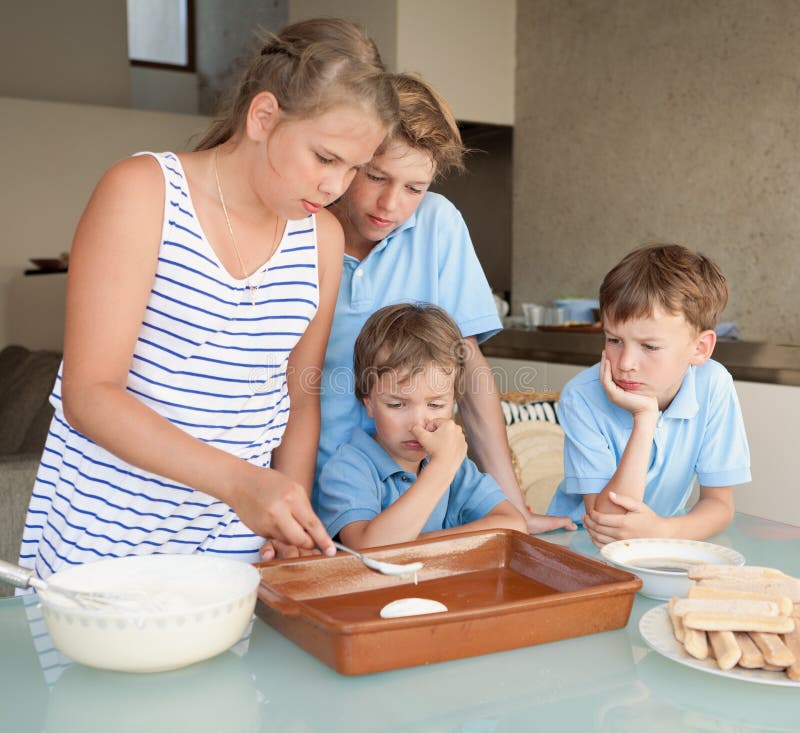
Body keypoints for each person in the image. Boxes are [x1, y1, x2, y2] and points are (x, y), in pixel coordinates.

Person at [18, 18, 398, 579]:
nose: (335, 187)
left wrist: (286, 517)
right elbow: (90, 394)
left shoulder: (322, 238)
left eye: (354, 168)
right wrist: (242, 483)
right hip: (107, 537)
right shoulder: (144, 193)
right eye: (324, 157)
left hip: (237, 545)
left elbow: (300, 398)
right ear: (263, 117)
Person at [318, 73, 575, 535]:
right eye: (375, 176)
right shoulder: (306, 227)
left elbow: (468, 365)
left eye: (414, 188)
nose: (390, 204)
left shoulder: (438, 224)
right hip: (327, 494)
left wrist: (512, 507)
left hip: (420, 487)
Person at [547, 244, 751, 545]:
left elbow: (719, 505)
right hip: (580, 543)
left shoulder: (713, 384)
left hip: (655, 542)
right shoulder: (582, 397)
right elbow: (609, 523)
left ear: (700, 348)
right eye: (614, 340)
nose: (625, 363)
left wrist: (663, 531)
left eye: (649, 346)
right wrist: (645, 418)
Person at [315, 303, 527, 546]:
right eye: (396, 405)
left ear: (453, 402)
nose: (417, 424)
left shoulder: (455, 465)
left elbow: (513, 523)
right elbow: (368, 548)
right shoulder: (349, 468)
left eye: (435, 405)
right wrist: (441, 468)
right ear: (369, 403)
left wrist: (414, 542)